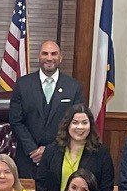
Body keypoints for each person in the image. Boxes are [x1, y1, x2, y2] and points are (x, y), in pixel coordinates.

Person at [8, 39, 84, 168]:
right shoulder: (22, 84)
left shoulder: (74, 87)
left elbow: (75, 123)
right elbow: (15, 121)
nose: (49, 58)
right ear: (39, 57)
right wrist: (33, 150)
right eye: (45, 53)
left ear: (60, 57)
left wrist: (50, 150)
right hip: (28, 157)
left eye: (54, 54)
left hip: (60, 155)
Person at [35, 103, 115, 191]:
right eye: (75, 122)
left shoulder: (102, 153)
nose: (80, 127)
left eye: (84, 123)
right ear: (67, 125)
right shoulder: (51, 150)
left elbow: (106, 189)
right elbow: (41, 183)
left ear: (90, 125)